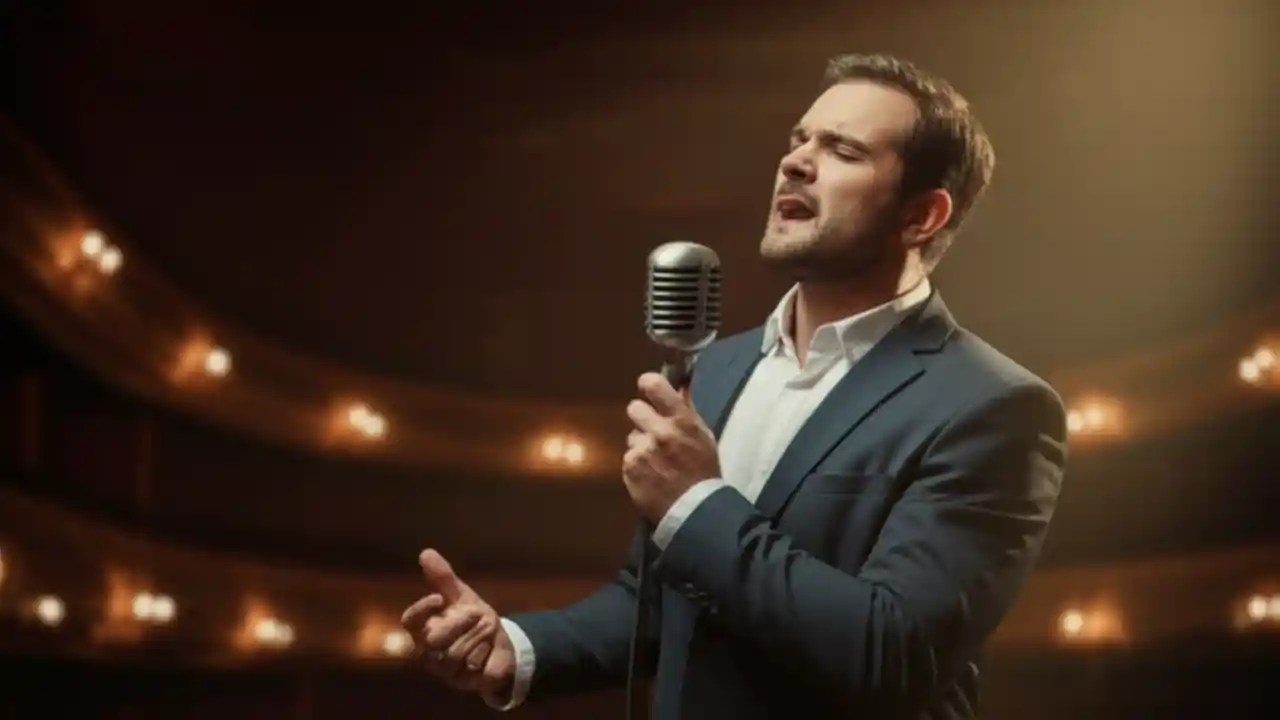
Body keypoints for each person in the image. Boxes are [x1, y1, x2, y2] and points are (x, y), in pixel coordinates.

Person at [401, 52, 1068, 719]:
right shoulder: (717, 368)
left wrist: (696, 501)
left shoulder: (994, 406)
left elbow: (891, 650)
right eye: (799, 140)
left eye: (842, 151)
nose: (795, 162)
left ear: (922, 216)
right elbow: (658, 605)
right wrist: (515, 649)